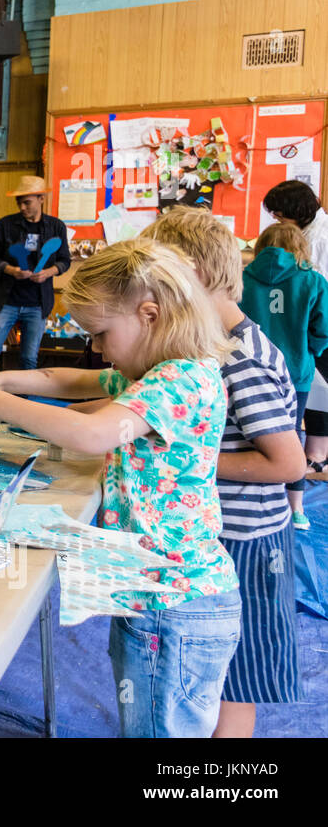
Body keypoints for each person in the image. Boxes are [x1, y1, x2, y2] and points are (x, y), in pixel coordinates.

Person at [0, 239, 241, 738]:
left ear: (149, 314)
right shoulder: (152, 373)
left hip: (174, 603)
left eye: (101, 334)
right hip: (151, 594)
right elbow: (65, 382)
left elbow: (94, 432)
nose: (97, 348)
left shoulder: (181, 379)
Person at [141, 207, 305, 737]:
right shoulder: (210, 348)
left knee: (236, 678)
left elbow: (287, 461)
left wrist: (185, 460)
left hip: (251, 544)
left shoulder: (240, 358)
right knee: (213, 669)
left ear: (192, 273)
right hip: (223, 534)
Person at [241, 221, 328, 529]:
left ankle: (252, 504)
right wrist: (310, 351)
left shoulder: (241, 279)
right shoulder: (313, 281)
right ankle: (297, 508)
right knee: (291, 435)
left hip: (248, 368)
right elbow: (323, 330)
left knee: (249, 436)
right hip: (295, 369)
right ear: (299, 248)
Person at [261, 179, 328, 475]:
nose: (276, 219)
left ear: (296, 211)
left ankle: (316, 453)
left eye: (279, 214)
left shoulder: (320, 238)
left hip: (314, 326)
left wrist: (314, 346)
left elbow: (318, 288)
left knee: (318, 391)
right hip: (305, 330)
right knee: (308, 393)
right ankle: (308, 454)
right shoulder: (307, 232)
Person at [0, 175, 71, 374]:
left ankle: (23, 401)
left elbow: (65, 261)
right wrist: (11, 270)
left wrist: (48, 273)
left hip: (37, 304)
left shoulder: (56, 227)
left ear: (41, 199)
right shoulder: (5, 225)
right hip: (6, 301)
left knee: (29, 359)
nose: (22, 207)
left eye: (26, 202)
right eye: (19, 202)